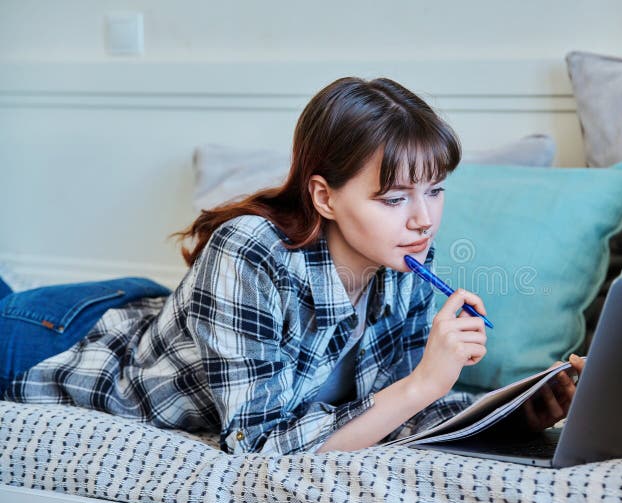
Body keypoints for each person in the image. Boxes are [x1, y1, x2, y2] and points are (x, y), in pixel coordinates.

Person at [0, 77, 584, 455]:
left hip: (159, 314)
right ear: (325, 197)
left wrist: (520, 409)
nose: (423, 220)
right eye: (394, 197)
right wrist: (424, 382)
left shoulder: (404, 259)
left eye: (435, 191)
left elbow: (385, 413)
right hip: (65, 336)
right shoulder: (249, 250)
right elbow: (260, 445)